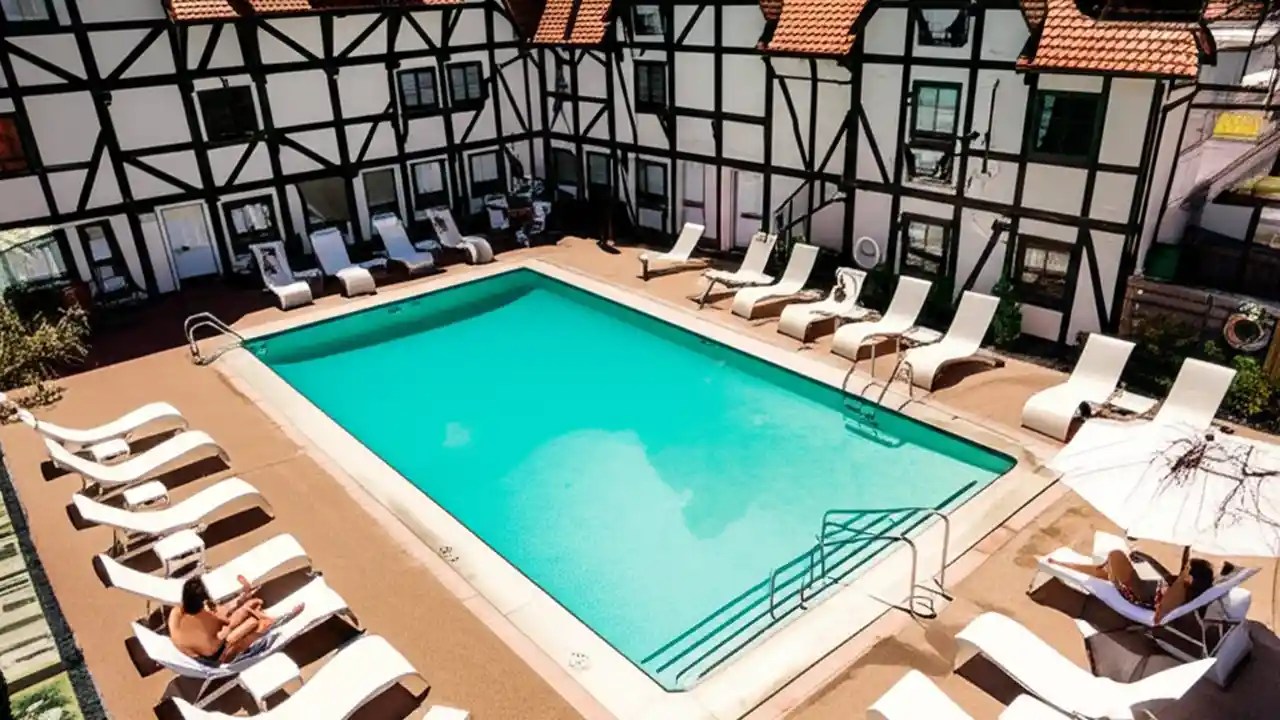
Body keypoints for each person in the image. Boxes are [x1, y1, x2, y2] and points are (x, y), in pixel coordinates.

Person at [1048, 548, 1217, 624]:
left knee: (1116, 555)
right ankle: (1065, 564)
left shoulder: (1178, 593)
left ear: (1190, 579)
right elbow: (1166, 576)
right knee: (1108, 568)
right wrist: (1146, 558)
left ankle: (1107, 576)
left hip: (1136, 593)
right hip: (1144, 587)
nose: (1184, 570)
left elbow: (1159, 616)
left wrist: (1159, 614)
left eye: (1187, 569)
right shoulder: (1185, 588)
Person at [168, 576, 302, 666]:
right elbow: (226, 624)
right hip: (215, 655)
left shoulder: (177, 613)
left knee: (244, 610)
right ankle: (282, 619)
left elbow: (218, 620)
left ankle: (244, 598)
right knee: (254, 623)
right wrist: (246, 613)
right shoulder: (205, 618)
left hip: (196, 652)